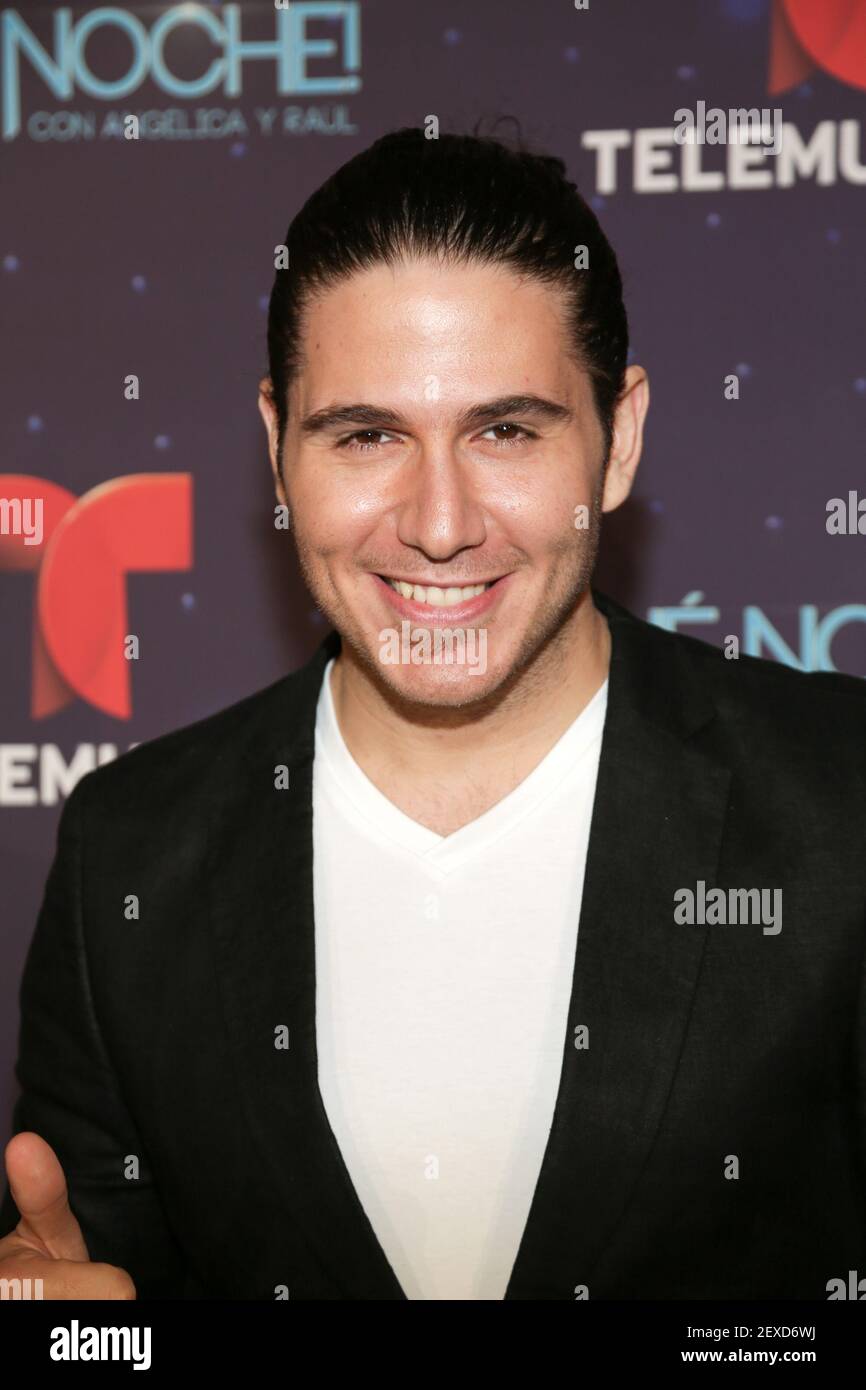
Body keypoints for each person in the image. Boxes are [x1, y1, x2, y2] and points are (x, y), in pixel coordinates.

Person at [1, 126, 864, 1301]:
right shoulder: (129, 859)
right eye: (366, 437)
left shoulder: (839, 803)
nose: (441, 521)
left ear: (620, 441)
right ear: (275, 450)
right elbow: (89, 1296)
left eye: (505, 430)